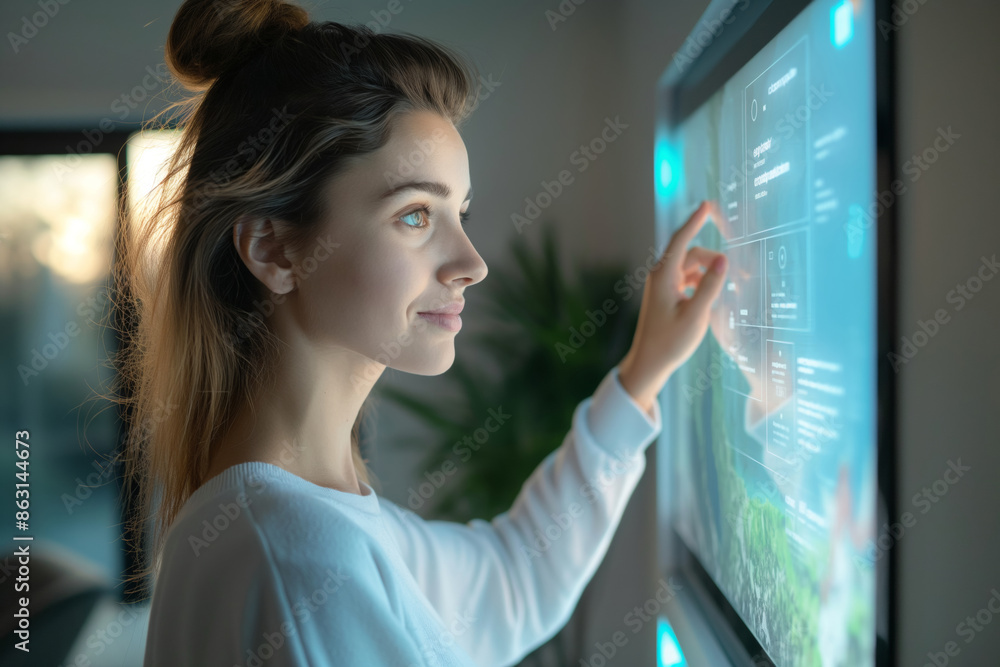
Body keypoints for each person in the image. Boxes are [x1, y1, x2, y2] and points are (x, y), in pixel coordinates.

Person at [118, 1, 728, 664]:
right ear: (273, 249)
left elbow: (512, 580)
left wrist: (644, 372)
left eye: (458, 213)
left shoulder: (302, 518)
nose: (472, 263)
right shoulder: (298, 553)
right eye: (414, 216)